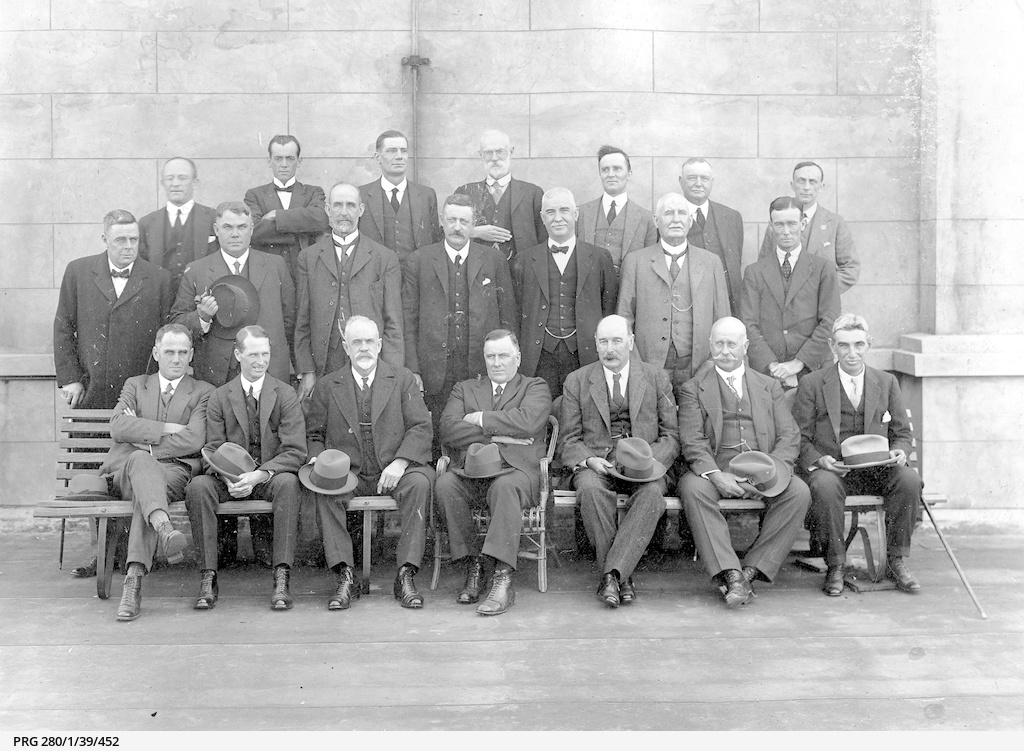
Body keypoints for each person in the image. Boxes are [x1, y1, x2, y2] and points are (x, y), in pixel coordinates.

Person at [53, 210, 173, 578]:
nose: (128, 247)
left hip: (137, 396)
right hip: (93, 394)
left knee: (131, 470)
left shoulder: (158, 278)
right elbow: (63, 326)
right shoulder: (78, 271)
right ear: (104, 238)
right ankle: (103, 555)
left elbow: (167, 337)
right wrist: (70, 379)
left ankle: (137, 552)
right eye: (120, 239)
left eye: (134, 239)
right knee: (94, 474)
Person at [677, 317, 811, 609]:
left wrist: (768, 474)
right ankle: (730, 571)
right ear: (710, 345)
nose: (725, 351)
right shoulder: (693, 388)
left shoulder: (769, 386)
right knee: (692, 488)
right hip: (717, 469)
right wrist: (715, 475)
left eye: (732, 344)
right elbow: (692, 439)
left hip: (763, 469)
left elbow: (789, 435)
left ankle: (749, 571)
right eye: (719, 344)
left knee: (798, 491)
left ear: (745, 347)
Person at [304, 316, 434, 610]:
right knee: (324, 489)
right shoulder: (328, 385)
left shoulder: (402, 379)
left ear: (379, 345)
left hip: (393, 469)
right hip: (351, 472)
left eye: (369, 342)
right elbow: (314, 434)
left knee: (421, 482)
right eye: (356, 343)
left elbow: (421, 427)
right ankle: (345, 575)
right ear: (346, 348)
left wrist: (400, 462)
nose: (364, 348)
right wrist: (318, 459)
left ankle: (406, 574)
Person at [793, 314, 922, 595]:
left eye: (858, 345)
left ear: (869, 345)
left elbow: (902, 433)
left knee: (909, 480)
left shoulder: (886, 382)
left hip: (877, 469)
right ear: (832, 346)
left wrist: (900, 450)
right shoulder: (813, 384)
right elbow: (799, 438)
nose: (851, 353)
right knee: (823, 486)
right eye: (843, 345)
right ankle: (835, 565)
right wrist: (818, 460)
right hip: (834, 471)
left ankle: (895, 561)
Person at [558, 315, 679, 607]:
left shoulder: (655, 377)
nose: (609, 349)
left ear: (631, 342)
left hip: (645, 464)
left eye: (617, 341)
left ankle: (613, 575)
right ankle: (619, 576)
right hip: (599, 463)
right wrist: (589, 461)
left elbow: (671, 435)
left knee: (651, 494)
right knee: (588, 488)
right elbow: (569, 439)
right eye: (603, 342)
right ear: (596, 344)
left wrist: (649, 461)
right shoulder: (577, 381)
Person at [184, 325, 306, 611]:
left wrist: (259, 475)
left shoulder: (285, 394)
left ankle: (281, 576)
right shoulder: (220, 396)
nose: (260, 361)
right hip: (230, 478)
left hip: (268, 476)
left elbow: (295, 450)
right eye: (252, 354)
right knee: (198, 487)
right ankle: (208, 576)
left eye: (265, 354)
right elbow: (211, 450)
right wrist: (228, 479)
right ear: (238, 354)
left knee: (289, 484)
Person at [100, 324, 216, 621]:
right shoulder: (136, 385)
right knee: (141, 464)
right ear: (156, 352)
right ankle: (163, 532)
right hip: (127, 470)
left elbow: (195, 439)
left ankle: (133, 580)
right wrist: (167, 429)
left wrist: (140, 432)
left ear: (191, 355)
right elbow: (117, 426)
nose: (176, 358)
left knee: (145, 482)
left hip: (173, 474)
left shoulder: (204, 392)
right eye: (169, 352)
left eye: (182, 352)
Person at [435, 329, 552, 616]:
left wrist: (481, 419)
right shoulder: (465, 389)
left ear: (518, 358)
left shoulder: (535, 387)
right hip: (473, 471)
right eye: (491, 357)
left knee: (504, 488)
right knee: (445, 484)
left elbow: (528, 422)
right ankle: (473, 565)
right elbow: (448, 428)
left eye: (503, 356)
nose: (497, 363)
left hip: (516, 472)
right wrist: (500, 437)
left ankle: (502, 577)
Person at [402, 193, 517, 446]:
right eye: (451, 220)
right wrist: (414, 369)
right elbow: (408, 322)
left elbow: (508, 318)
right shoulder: (419, 260)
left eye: (464, 221)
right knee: (436, 433)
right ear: (441, 221)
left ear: (473, 223)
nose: (457, 227)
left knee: (477, 434)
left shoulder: (494, 260)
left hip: (479, 367)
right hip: (435, 370)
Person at [294, 182, 403, 403]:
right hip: (325, 361)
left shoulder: (384, 258)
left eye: (351, 206)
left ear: (361, 210)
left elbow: (393, 322)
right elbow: (302, 319)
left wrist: (391, 373)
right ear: (327, 210)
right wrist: (307, 369)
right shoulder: (309, 257)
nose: (344, 213)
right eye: (338, 205)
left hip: (370, 362)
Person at [171, 201, 296, 389]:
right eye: (227, 227)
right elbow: (177, 324)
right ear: (216, 229)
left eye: (242, 227)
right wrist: (202, 318)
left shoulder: (275, 265)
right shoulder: (197, 270)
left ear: (252, 229)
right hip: (217, 375)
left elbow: (289, 319)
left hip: (268, 371)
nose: (235, 234)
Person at [618, 192, 730, 398]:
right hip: (649, 364)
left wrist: (712, 362)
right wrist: (636, 364)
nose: (676, 219)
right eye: (669, 213)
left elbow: (723, 320)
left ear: (690, 220)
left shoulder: (711, 262)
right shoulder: (635, 262)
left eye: (681, 213)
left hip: (698, 366)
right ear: (656, 220)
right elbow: (624, 320)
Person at [511, 187, 617, 400]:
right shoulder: (523, 260)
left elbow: (609, 308)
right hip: (540, 356)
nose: (557, 218)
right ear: (542, 217)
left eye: (564, 210)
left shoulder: (600, 258)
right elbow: (517, 310)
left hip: (584, 354)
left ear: (575, 214)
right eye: (550, 212)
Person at [740, 197, 839, 397]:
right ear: (771, 227)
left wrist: (798, 364)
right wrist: (773, 366)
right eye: (779, 224)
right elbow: (748, 323)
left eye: (792, 224)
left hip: (814, 369)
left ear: (802, 224)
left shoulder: (823, 269)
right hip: (768, 373)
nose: (786, 231)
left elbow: (830, 320)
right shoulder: (754, 272)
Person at [758, 161, 860, 294]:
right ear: (792, 185)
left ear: (821, 186)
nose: (806, 187)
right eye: (801, 181)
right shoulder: (777, 222)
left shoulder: (835, 223)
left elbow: (850, 268)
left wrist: (821, 290)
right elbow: (763, 266)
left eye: (812, 182)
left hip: (821, 306)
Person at [455, 129, 546, 264]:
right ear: (480, 155)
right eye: (488, 153)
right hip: (477, 273)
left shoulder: (533, 194)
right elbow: (447, 233)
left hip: (522, 273)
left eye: (500, 151)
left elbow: (545, 241)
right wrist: (473, 232)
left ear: (511, 152)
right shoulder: (465, 192)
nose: (494, 158)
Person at [244, 134, 329, 279]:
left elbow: (320, 219)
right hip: (268, 273)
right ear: (269, 161)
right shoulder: (254, 195)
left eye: (290, 158)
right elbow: (254, 232)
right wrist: (300, 230)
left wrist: (276, 215)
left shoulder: (313, 192)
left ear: (299, 161)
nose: (284, 164)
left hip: (306, 272)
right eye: (278, 158)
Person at [358, 129, 442, 263]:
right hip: (376, 277)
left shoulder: (427, 195)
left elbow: (435, 241)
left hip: (416, 277)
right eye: (391, 151)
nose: (399, 156)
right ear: (377, 157)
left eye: (403, 150)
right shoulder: (361, 195)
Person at [137, 156, 217, 292]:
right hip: (160, 296)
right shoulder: (146, 223)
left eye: (182, 178)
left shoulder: (213, 218)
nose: (175, 183)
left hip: (201, 297)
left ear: (195, 183)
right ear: (162, 183)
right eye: (170, 178)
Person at [575, 145, 658, 270]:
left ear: (629, 174)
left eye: (617, 169)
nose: (611, 174)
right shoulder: (581, 213)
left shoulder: (647, 219)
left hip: (628, 287)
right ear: (600, 174)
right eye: (605, 170)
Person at [679, 158, 745, 310]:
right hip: (687, 303)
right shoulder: (670, 217)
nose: (698, 183)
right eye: (692, 178)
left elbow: (735, 262)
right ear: (681, 182)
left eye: (704, 178)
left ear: (712, 181)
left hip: (726, 302)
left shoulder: (732, 217)